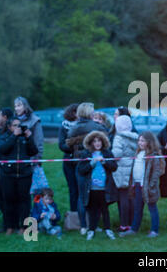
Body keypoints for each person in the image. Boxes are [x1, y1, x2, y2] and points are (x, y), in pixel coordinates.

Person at [66, 102, 108, 235]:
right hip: (96, 163)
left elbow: (68, 144)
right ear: (89, 112)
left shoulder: (73, 128)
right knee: (94, 194)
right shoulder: (97, 126)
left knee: (81, 195)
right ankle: (93, 224)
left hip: (79, 163)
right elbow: (106, 141)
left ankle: (84, 225)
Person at [0, 117, 38, 235]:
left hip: (24, 174)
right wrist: (14, 136)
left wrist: (29, 137)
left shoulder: (25, 138)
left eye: (19, 125)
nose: (18, 127)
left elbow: (33, 151)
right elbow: (2, 150)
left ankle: (23, 227)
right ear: (9, 127)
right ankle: (10, 226)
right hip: (8, 174)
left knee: (24, 201)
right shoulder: (4, 137)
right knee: (8, 200)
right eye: (15, 125)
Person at [119, 131, 163, 238]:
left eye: (142, 140)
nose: (140, 142)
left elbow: (157, 171)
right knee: (137, 208)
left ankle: (154, 230)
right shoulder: (138, 153)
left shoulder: (153, 155)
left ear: (149, 142)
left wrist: (151, 185)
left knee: (152, 207)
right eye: (139, 140)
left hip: (148, 187)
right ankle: (134, 229)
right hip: (137, 186)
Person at [77, 130, 118, 241]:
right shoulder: (86, 154)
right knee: (92, 209)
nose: (97, 143)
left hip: (105, 187)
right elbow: (81, 170)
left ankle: (108, 229)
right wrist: (92, 163)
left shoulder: (107, 153)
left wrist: (104, 162)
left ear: (103, 141)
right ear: (90, 143)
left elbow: (114, 167)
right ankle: (91, 229)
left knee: (105, 209)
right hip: (91, 188)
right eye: (94, 141)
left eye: (99, 141)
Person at [14, 96, 47, 196]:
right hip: (16, 161)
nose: (16, 108)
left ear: (25, 106)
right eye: (15, 106)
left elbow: (39, 142)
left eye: (19, 105)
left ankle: (36, 210)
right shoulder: (14, 121)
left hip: (30, 160)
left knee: (35, 192)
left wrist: (36, 159)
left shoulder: (35, 121)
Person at [111, 115, 138, 232]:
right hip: (133, 168)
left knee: (123, 198)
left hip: (121, 170)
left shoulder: (118, 138)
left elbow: (117, 155)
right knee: (131, 197)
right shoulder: (136, 137)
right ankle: (133, 222)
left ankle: (124, 224)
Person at [58, 103, 79, 213]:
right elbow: (61, 145)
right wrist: (73, 146)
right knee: (73, 190)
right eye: (77, 112)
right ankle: (74, 214)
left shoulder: (83, 125)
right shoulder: (64, 126)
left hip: (81, 161)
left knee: (82, 189)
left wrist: (75, 144)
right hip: (69, 161)